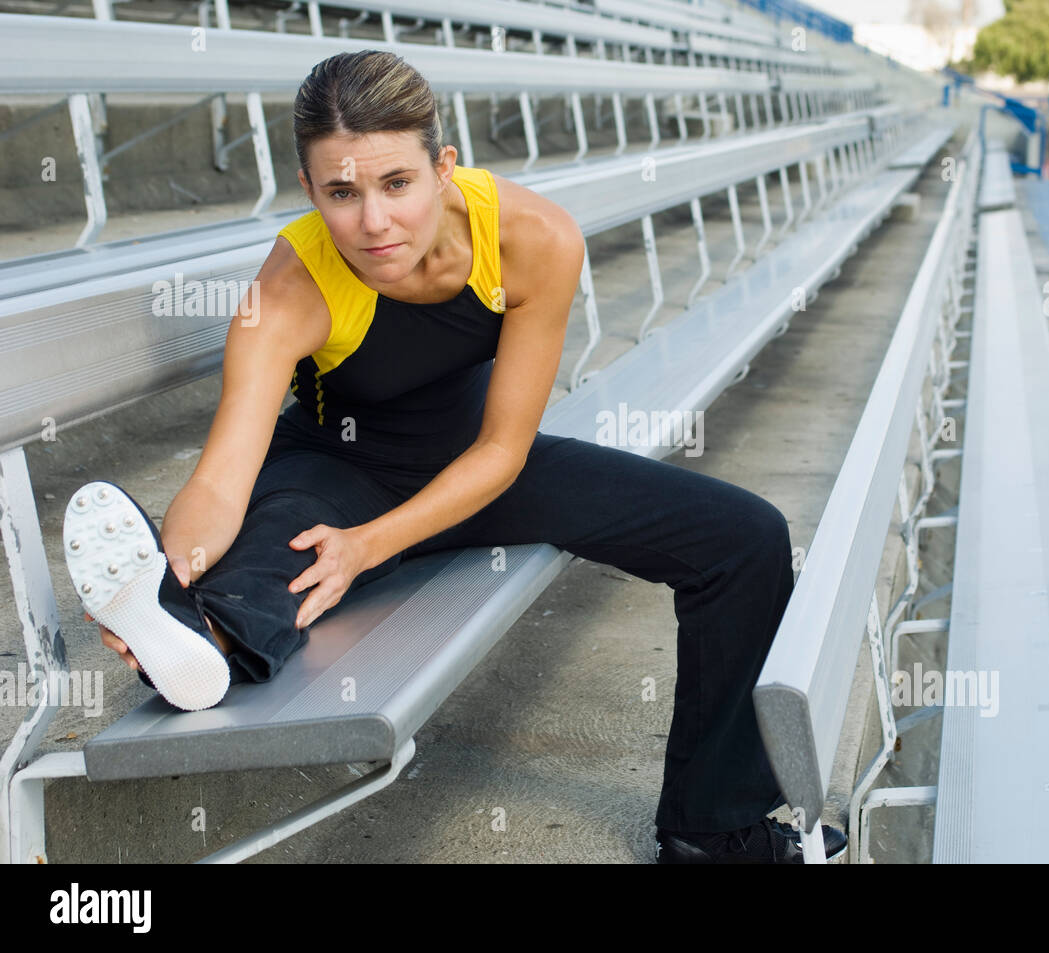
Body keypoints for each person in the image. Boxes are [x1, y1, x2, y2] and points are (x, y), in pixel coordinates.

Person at [64, 49, 846, 864]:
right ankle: (185, 630)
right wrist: (173, 566)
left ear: (444, 167)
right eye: (341, 192)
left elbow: (504, 450)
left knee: (743, 540)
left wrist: (374, 544)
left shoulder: (532, 238)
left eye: (395, 183)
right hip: (339, 470)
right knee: (262, 570)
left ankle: (714, 831)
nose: (373, 223)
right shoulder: (292, 285)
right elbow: (223, 478)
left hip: (478, 469)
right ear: (308, 191)